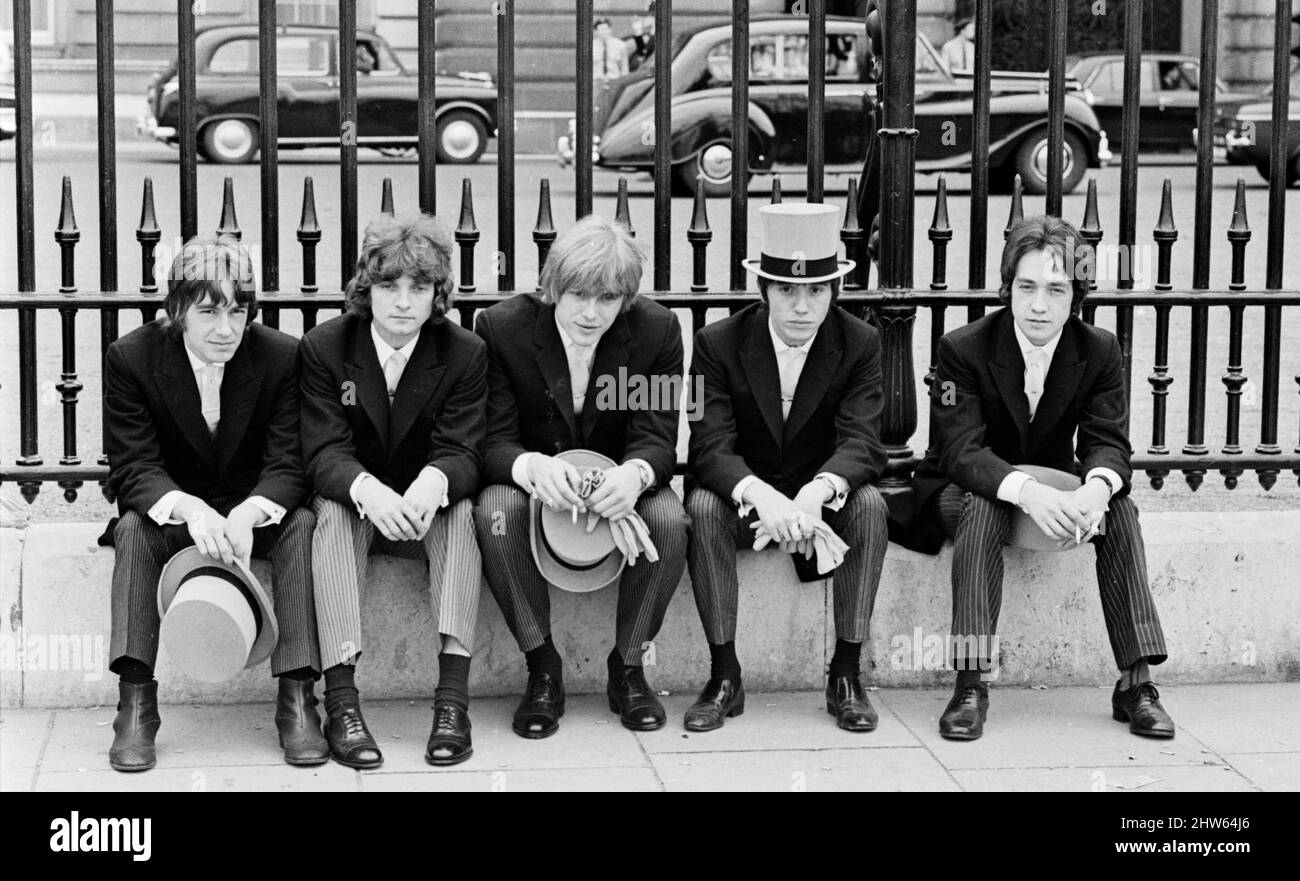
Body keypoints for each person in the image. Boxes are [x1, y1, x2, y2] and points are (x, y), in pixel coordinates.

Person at [907, 215, 1175, 742]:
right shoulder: (960, 348)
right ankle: (970, 682)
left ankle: (1135, 684)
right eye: (1026, 287)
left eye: (1056, 290)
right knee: (985, 504)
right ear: (1008, 288)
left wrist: (1095, 489)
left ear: (1075, 295)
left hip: (1054, 488)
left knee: (1119, 507)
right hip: (962, 489)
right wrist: (1027, 493)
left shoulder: (1099, 349)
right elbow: (960, 449)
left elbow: (1108, 441)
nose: (1038, 305)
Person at [102, 234, 324, 771]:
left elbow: (289, 461)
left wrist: (249, 513)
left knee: (300, 525)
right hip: (180, 513)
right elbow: (132, 465)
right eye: (208, 311)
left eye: (238, 311)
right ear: (176, 310)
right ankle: (135, 705)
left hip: (251, 510)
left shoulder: (281, 355)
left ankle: (297, 698)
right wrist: (191, 509)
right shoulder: (131, 357)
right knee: (133, 528)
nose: (226, 329)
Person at [473, 215, 688, 739]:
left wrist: (635, 476)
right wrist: (530, 467)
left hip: (619, 484)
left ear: (626, 299)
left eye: (609, 299)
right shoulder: (501, 327)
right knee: (495, 512)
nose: (592, 314)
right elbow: (489, 440)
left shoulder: (657, 330)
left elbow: (657, 437)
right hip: (534, 483)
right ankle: (543, 667)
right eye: (578, 296)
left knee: (669, 518)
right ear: (552, 287)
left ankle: (629, 667)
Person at [685, 202, 891, 733]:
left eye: (816, 291)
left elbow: (864, 442)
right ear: (764, 290)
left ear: (833, 292)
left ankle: (846, 673)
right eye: (786, 290)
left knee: (868, 504)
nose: (802, 306)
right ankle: (724, 674)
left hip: (816, 498)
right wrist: (762, 496)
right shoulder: (716, 343)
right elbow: (709, 444)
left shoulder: (861, 342)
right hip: (748, 499)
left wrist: (817, 493)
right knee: (704, 506)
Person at [299, 213, 487, 768]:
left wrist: (435, 482)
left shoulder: (463, 351)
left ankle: (452, 701)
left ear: (438, 294)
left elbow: (464, 448)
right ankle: (342, 703)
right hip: (360, 504)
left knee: (462, 511)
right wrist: (368, 490)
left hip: (425, 509)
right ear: (366, 288)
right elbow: (322, 450)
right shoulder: (326, 348)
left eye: (419, 288)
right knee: (329, 514)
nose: (403, 301)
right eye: (388, 286)